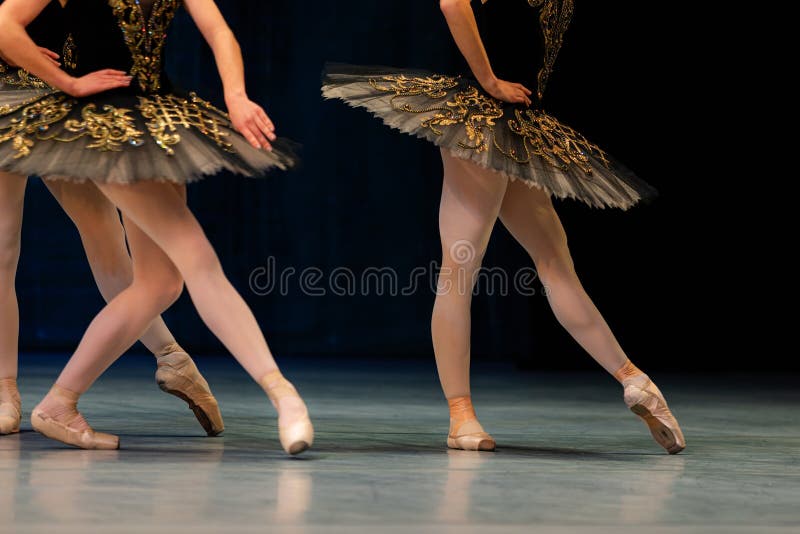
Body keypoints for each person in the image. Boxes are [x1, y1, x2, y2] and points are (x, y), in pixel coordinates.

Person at [323, 0, 685, 454]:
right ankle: (634, 378)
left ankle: (462, 417)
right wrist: (494, 81)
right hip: (511, 120)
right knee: (553, 266)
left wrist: (490, 81)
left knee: (462, 268)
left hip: (490, 117)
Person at [0, 0, 313, 455]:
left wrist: (236, 95)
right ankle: (284, 396)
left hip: (160, 120)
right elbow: (5, 25)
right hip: (106, 130)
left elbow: (219, 31)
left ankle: (59, 404)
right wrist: (67, 82)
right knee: (197, 257)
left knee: (161, 283)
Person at [0, 0, 222, 438]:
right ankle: (4, 387)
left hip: (58, 99)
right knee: (5, 243)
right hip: (14, 92)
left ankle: (172, 358)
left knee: (105, 238)